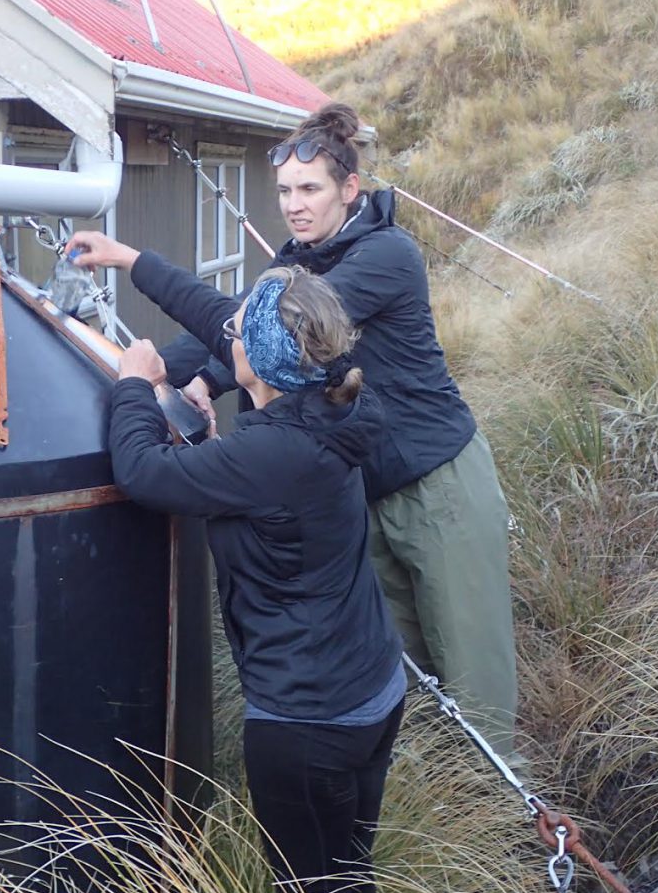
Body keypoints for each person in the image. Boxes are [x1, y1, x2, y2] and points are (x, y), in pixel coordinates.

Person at [129, 102, 519, 758]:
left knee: (473, 670)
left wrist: (135, 264)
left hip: (439, 485)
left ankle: (510, 818)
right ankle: (448, 818)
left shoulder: (387, 255)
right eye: (284, 191)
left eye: (309, 189)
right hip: (365, 494)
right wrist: (186, 375)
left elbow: (273, 330)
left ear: (349, 189)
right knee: (406, 674)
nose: (294, 205)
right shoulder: (297, 266)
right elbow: (249, 332)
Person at [90, 248, 406, 893]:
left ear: (255, 369)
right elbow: (226, 322)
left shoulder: (272, 452)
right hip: (371, 689)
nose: (225, 342)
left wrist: (136, 385)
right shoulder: (333, 400)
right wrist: (129, 261)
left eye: (237, 344)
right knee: (348, 872)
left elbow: (142, 474)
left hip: (307, 719)